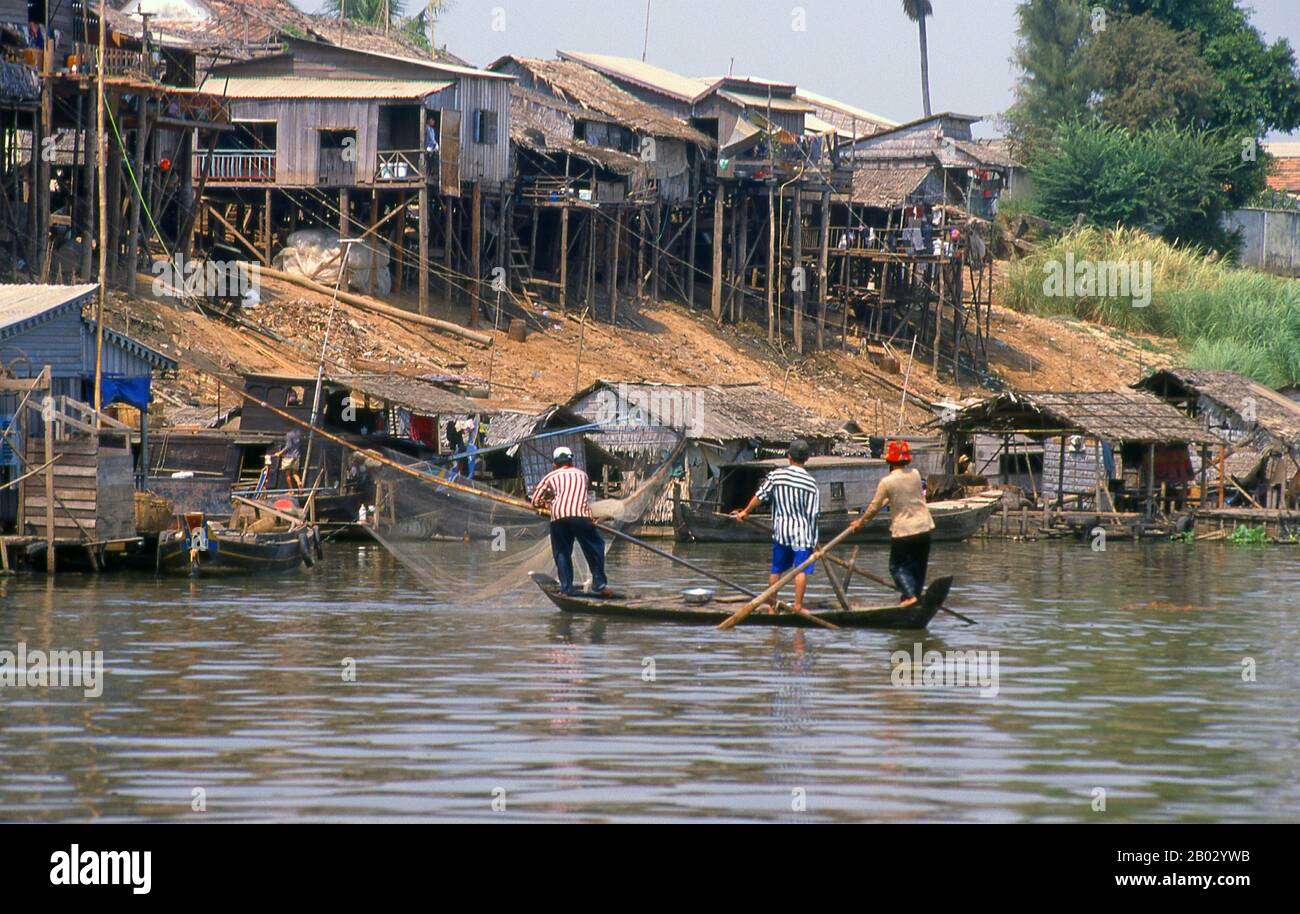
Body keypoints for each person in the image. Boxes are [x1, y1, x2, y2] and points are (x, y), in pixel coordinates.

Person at [732, 439, 820, 616]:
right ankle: (797, 606)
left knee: (776, 568)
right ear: (808, 459)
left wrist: (746, 512)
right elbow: (812, 515)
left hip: (781, 532)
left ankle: (772, 607)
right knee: (801, 569)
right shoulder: (811, 484)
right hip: (802, 535)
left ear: (789, 457)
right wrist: (815, 542)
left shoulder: (776, 476)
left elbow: (760, 495)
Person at [849, 440, 934, 608]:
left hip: (904, 531)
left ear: (890, 461)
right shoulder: (916, 475)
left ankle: (910, 596)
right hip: (925, 528)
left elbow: (873, 507)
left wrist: (861, 522)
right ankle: (912, 598)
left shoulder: (887, 482)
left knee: (897, 567)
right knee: (917, 567)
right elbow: (895, 497)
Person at [531, 446, 610, 596]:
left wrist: (547, 503)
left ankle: (566, 589)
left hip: (559, 517)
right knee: (595, 546)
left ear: (555, 464)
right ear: (571, 462)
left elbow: (535, 500)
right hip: (581, 516)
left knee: (562, 552)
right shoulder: (582, 475)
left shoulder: (550, 477)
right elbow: (576, 495)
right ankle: (599, 585)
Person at [270, 429, 303, 493]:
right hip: (296, 456)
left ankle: (291, 491)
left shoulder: (288, 435)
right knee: (294, 473)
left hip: (288, 457)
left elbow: (288, 446)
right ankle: (299, 483)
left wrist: (280, 453)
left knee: (287, 474)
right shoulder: (298, 433)